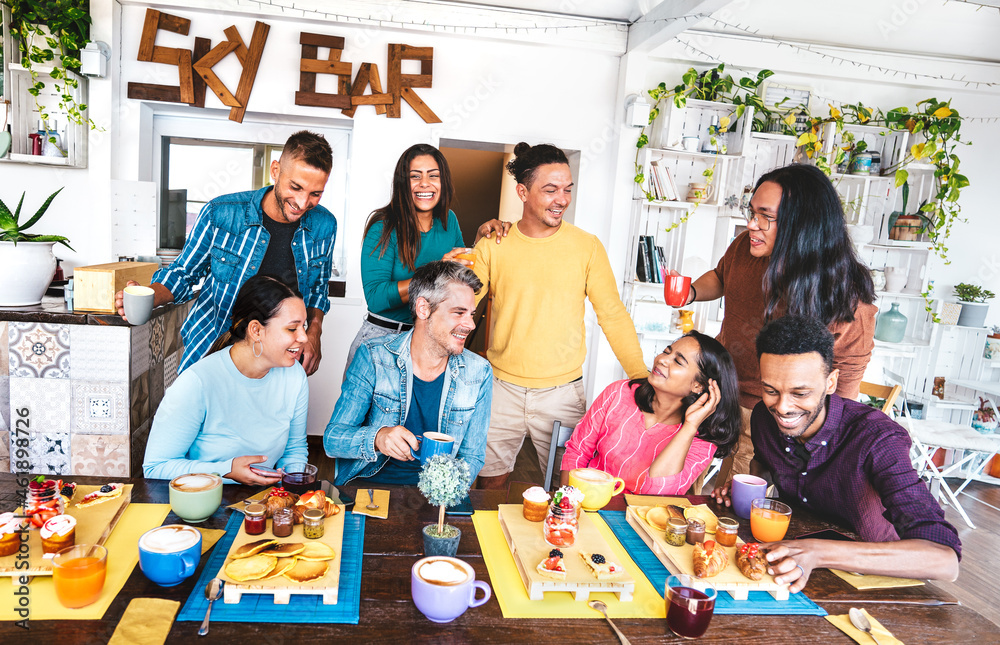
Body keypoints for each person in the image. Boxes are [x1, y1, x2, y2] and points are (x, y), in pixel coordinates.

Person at [713, 316, 960, 592]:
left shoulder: (876, 438)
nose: (782, 407)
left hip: (874, 584)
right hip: (792, 566)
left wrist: (818, 552)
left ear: (831, 383)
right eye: (771, 390)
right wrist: (752, 485)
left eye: (800, 393)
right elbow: (766, 461)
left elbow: (945, 560)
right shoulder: (763, 417)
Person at [679, 163, 878, 496]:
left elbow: (843, 388)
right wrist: (692, 293)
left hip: (766, 420)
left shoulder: (845, 299)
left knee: (729, 507)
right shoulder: (745, 247)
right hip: (715, 394)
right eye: (752, 212)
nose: (751, 225)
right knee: (678, 494)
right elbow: (721, 275)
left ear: (802, 225)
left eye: (765, 217)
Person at [471, 142, 648, 490]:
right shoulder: (494, 244)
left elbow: (612, 315)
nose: (562, 199)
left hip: (562, 394)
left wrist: (640, 377)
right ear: (523, 191)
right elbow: (461, 304)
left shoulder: (587, 247)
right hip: (500, 389)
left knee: (566, 493)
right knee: (488, 487)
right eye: (550, 190)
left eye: (567, 189)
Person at [116, 131, 337, 376]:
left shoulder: (325, 225)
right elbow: (183, 273)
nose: (303, 202)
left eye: (315, 193)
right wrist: (148, 295)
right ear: (275, 171)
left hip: (279, 356)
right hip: (213, 346)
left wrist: (314, 331)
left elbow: (318, 288)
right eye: (295, 187)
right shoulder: (221, 213)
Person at [324, 261, 492, 486]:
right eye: (459, 313)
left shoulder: (479, 372)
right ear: (423, 309)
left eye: (471, 314)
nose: (470, 324)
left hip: (437, 496)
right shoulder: (374, 357)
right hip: (371, 484)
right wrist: (378, 438)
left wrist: (444, 493)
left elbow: (472, 457)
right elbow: (332, 440)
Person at [346, 143, 509, 371]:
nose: (425, 183)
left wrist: (480, 242)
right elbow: (376, 298)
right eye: (415, 176)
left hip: (429, 342)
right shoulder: (383, 226)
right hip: (382, 338)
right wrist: (435, 272)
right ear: (403, 183)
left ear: (443, 183)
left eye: (434, 176)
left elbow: (459, 280)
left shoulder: (448, 220)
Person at [143, 275, 309, 485]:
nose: (304, 337)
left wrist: (288, 492)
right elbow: (155, 467)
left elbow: (294, 450)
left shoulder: (294, 376)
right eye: (293, 328)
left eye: (304, 326)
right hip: (202, 502)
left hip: (262, 505)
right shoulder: (196, 383)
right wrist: (225, 470)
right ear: (256, 330)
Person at [560, 332, 740, 495]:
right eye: (666, 351)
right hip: (585, 503)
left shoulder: (703, 438)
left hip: (641, 521)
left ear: (698, 385)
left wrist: (689, 427)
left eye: (678, 361)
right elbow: (577, 451)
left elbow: (658, 493)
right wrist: (567, 505)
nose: (662, 359)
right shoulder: (619, 393)